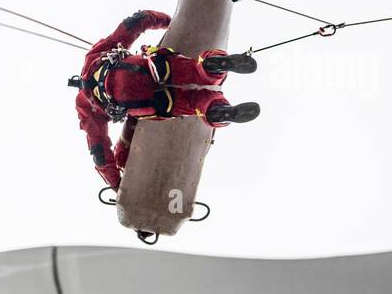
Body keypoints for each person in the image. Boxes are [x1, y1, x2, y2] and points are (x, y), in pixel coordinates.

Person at [73, 10, 259, 191]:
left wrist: (116, 184)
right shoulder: (95, 56)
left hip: (144, 103)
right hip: (150, 67)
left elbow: (99, 150)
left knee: (193, 103)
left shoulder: (86, 107)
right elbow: (136, 21)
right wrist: (170, 22)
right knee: (195, 69)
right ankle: (214, 66)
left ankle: (217, 112)